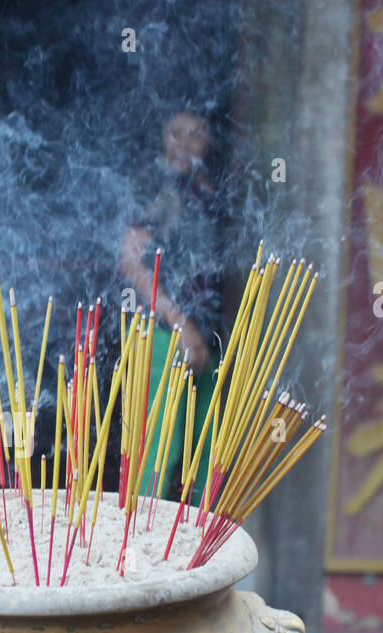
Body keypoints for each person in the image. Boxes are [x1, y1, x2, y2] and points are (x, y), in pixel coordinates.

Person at [118, 110, 225, 499]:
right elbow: (131, 263)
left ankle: (199, 554)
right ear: (162, 138)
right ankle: (140, 553)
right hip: (162, 333)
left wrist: (204, 336)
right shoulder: (156, 186)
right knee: (159, 451)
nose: (183, 142)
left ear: (208, 144)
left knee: (208, 454)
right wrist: (182, 326)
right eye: (175, 132)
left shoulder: (210, 189)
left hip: (208, 335)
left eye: (196, 134)